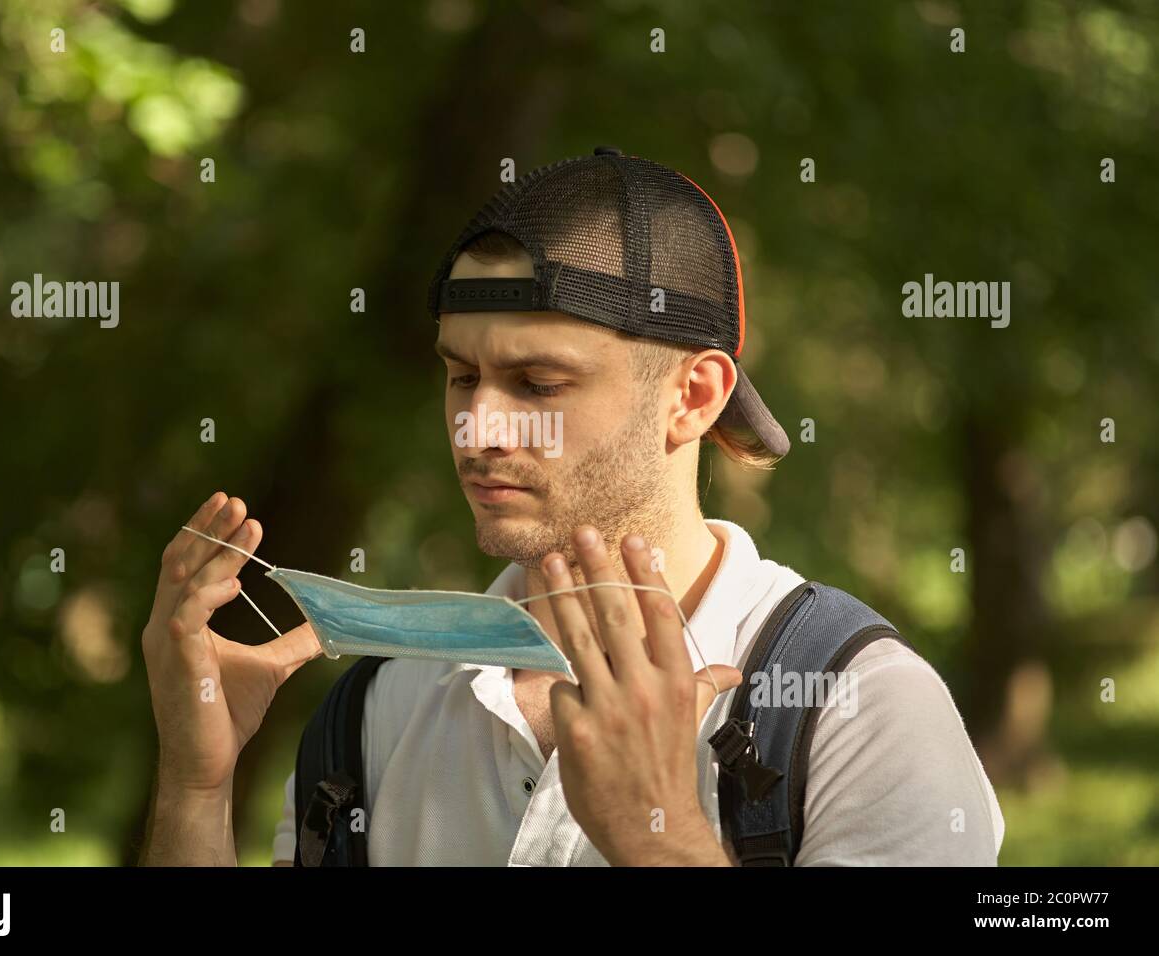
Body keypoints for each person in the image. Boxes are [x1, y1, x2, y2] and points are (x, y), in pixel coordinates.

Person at [140, 147, 1003, 866]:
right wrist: (194, 785)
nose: (476, 428)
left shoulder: (853, 702)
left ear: (693, 397)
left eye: (538, 382)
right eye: (461, 375)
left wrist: (655, 832)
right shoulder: (379, 705)